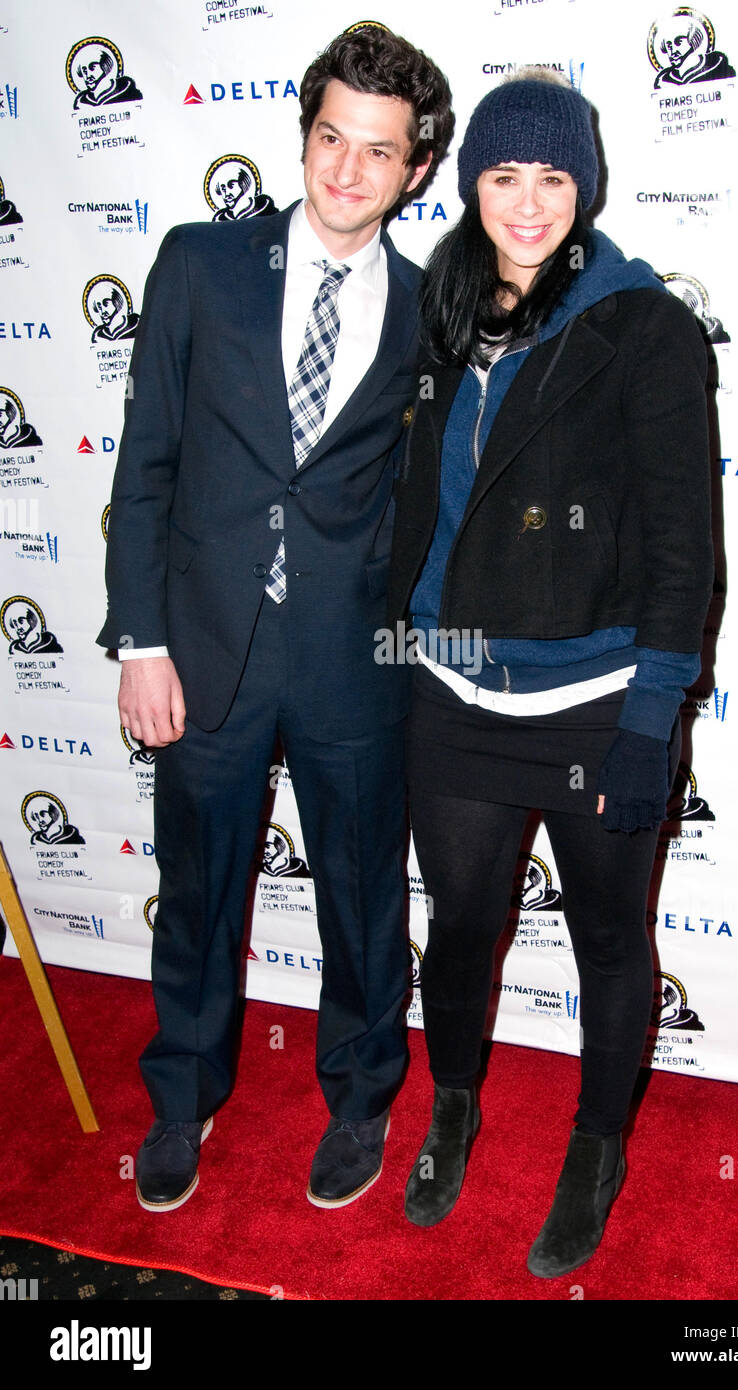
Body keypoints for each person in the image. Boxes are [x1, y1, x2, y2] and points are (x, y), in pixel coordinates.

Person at [96, 25, 453, 1213]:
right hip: (201, 652)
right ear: (305, 138)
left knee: (360, 893)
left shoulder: (426, 309)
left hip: (352, 662)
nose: (346, 171)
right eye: (329, 139)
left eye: (377, 152)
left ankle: (359, 1096)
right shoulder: (199, 264)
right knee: (198, 890)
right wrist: (139, 641)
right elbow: (145, 462)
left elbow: (425, 500)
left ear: (415, 170)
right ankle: (182, 1094)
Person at [387, 69, 713, 1275]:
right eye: (503, 175)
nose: (528, 204)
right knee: (460, 927)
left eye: (553, 177)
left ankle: (595, 1144)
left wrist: (650, 715)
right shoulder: (435, 311)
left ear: (587, 185)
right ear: (470, 182)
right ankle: (454, 1104)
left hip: (591, 696)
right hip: (454, 690)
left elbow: (684, 540)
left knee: (606, 939)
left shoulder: (641, 321)